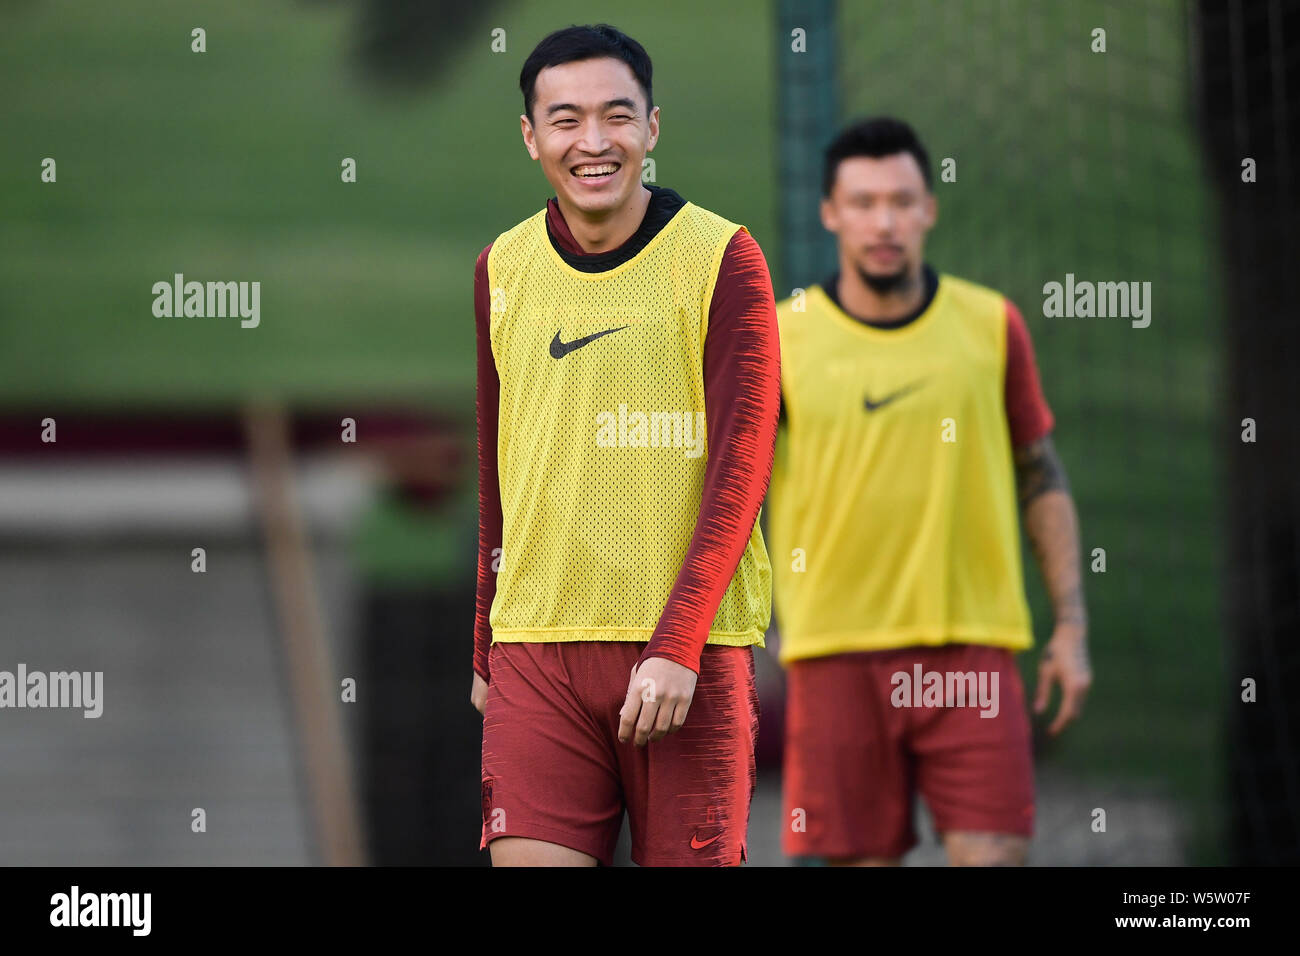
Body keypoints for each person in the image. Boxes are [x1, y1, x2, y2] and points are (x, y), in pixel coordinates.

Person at [470, 23, 781, 866]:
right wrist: (484, 644)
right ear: (531, 137)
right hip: (536, 649)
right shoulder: (502, 267)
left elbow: (743, 466)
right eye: (565, 120)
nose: (594, 142)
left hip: (691, 655)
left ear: (652, 126)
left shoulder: (725, 258)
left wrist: (678, 646)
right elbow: (500, 466)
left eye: (616, 115)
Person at [769, 117, 1093, 866]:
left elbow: (1040, 473)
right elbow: (728, 490)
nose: (884, 221)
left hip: (971, 650)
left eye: (902, 200)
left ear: (929, 210)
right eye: (863, 202)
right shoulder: (782, 337)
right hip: (834, 652)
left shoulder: (989, 325)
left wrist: (1071, 626)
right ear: (829, 212)